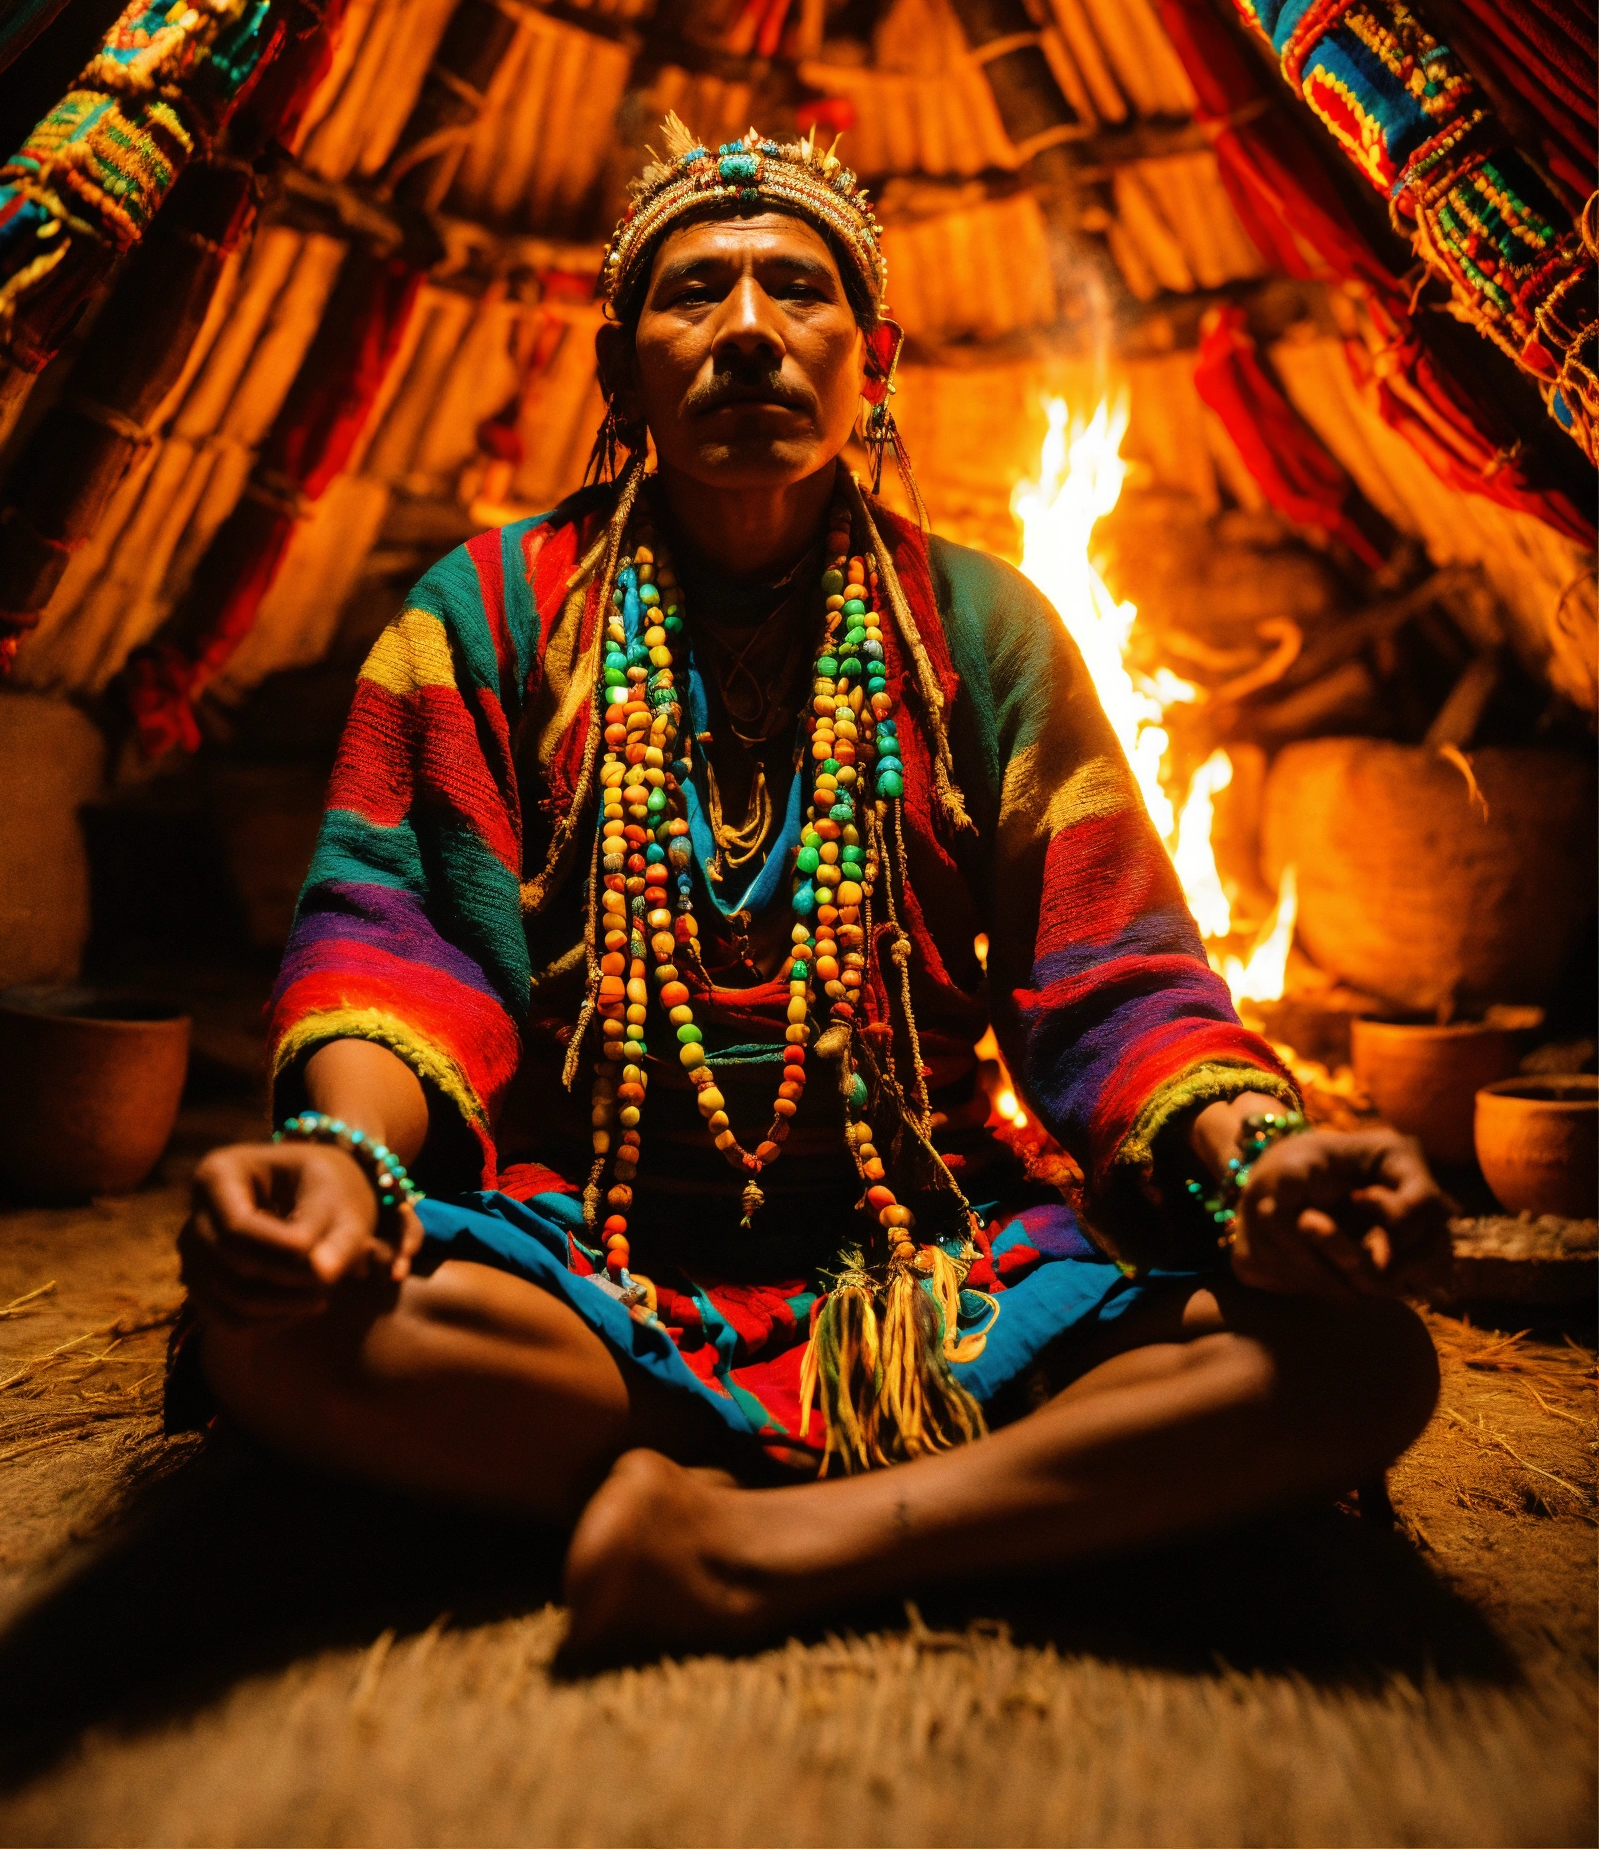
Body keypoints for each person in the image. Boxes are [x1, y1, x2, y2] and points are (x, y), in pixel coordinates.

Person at [176, 120, 1447, 1665]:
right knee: (274, 1335)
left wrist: (1265, 1164)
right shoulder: (490, 612)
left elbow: (1118, 981)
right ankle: (961, 1501)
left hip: (931, 1264)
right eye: (694, 295)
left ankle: (754, 1544)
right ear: (619, 369)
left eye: (798, 291)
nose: (750, 334)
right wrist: (337, 1166)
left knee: (1362, 1367)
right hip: (583, 1265)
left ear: (875, 358)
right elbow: (398, 947)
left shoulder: (982, 627)